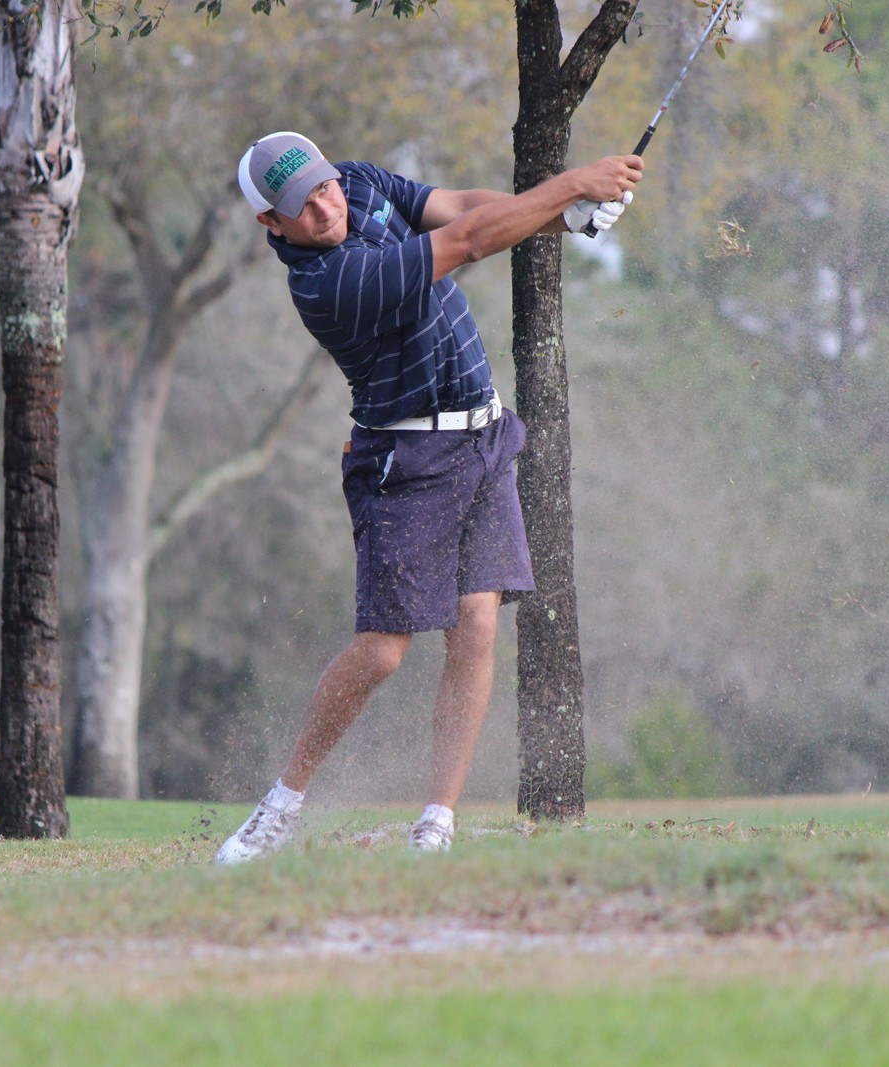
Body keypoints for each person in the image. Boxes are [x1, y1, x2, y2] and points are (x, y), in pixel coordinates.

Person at [215, 131, 642, 863]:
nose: (325, 206)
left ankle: (436, 824)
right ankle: (281, 804)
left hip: (484, 438)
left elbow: (465, 206)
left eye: (323, 187)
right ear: (270, 223)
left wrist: (562, 219)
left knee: (477, 625)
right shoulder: (326, 283)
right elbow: (467, 241)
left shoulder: (357, 182)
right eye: (302, 206)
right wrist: (574, 186)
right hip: (406, 461)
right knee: (383, 652)